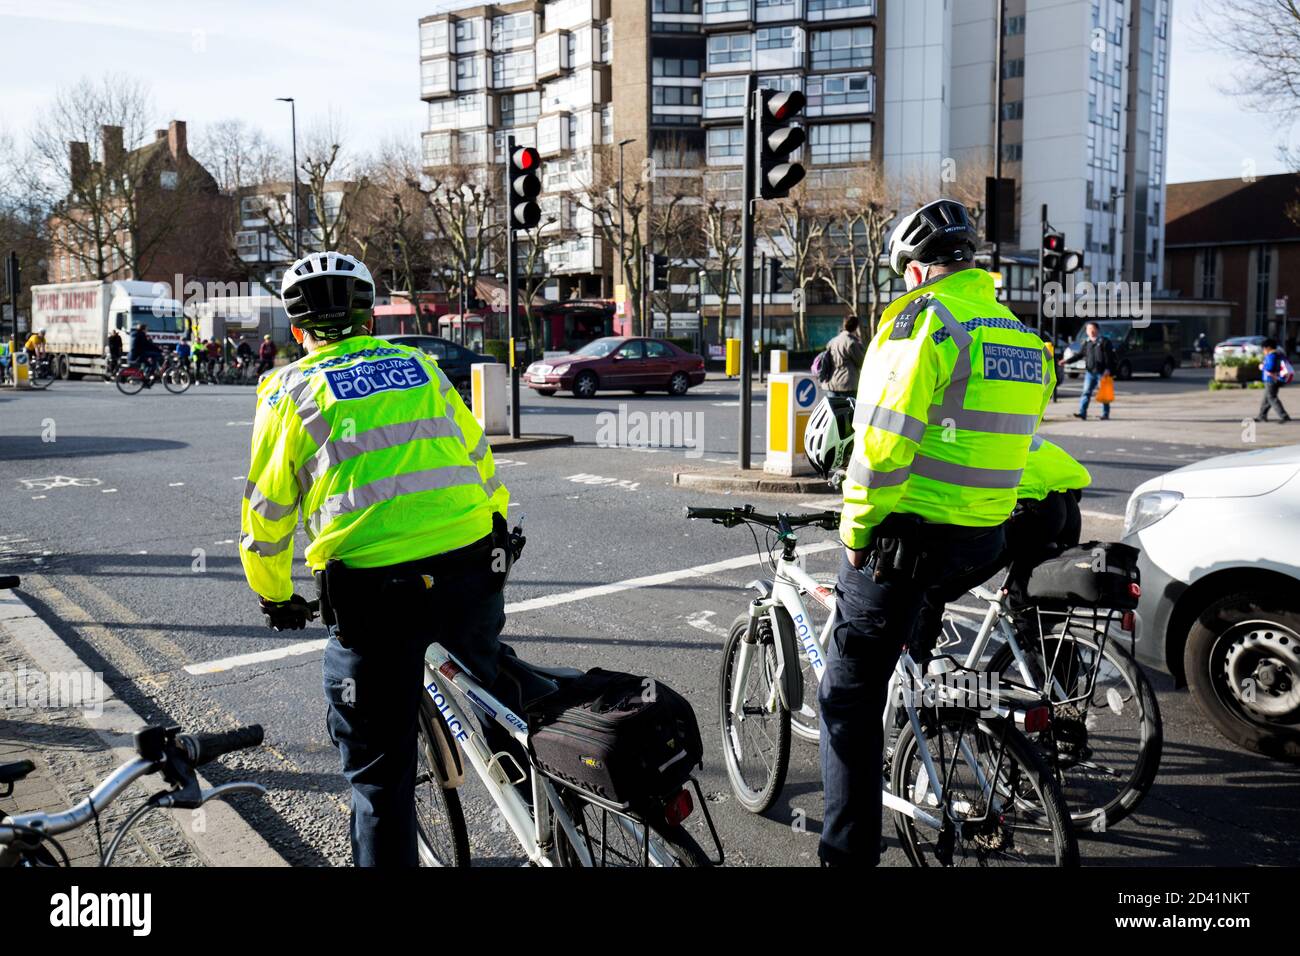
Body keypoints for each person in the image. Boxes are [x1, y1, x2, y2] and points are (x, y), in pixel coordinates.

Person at [239, 251, 511, 867]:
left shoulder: (289, 392)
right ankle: (542, 791)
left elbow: (266, 517)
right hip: (473, 567)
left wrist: (276, 595)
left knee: (379, 782)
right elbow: (480, 462)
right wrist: (496, 530)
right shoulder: (419, 365)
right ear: (368, 319)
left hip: (376, 600)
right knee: (498, 687)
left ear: (298, 329)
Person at [817, 198, 1054, 866]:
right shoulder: (1014, 332)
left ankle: (847, 857)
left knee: (846, 702)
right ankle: (929, 722)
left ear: (917, 271)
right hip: (981, 541)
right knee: (909, 645)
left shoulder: (926, 321)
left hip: (907, 544)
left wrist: (855, 529)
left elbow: (884, 446)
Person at [1075, 321, 1114, 420]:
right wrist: (1065, 361)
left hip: (1102, 372)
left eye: (1093, 329)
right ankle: (1082, 413)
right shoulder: (1087, 342)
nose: (1091, 331)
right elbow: (1079, 355)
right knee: (1086, 392)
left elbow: (1110, 357)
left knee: (1104, 394)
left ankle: (1105, 414)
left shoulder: (1104, 342)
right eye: (1088, 329)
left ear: (1097, 330)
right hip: (1090, 372)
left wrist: (1108, 369)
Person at [826, 315, 866, 398]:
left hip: (832, 383)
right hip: (848, 384)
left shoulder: (832, 341)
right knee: (849, 410)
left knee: (834, 410)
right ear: (856, 327)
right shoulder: (851, 343)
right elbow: (862, 362)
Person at [1255, 338, 1292, 423]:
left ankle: (1284, 416)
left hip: (1271, 380)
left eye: (1263, 349)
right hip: (1273, 379)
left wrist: (1262, 367)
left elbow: (1270, 367)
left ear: (1268, 348)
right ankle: (1262, 416)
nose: (1263, 351)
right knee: (1266, 398)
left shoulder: (1271, 356)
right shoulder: (1278, 354)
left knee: (1271, 398)